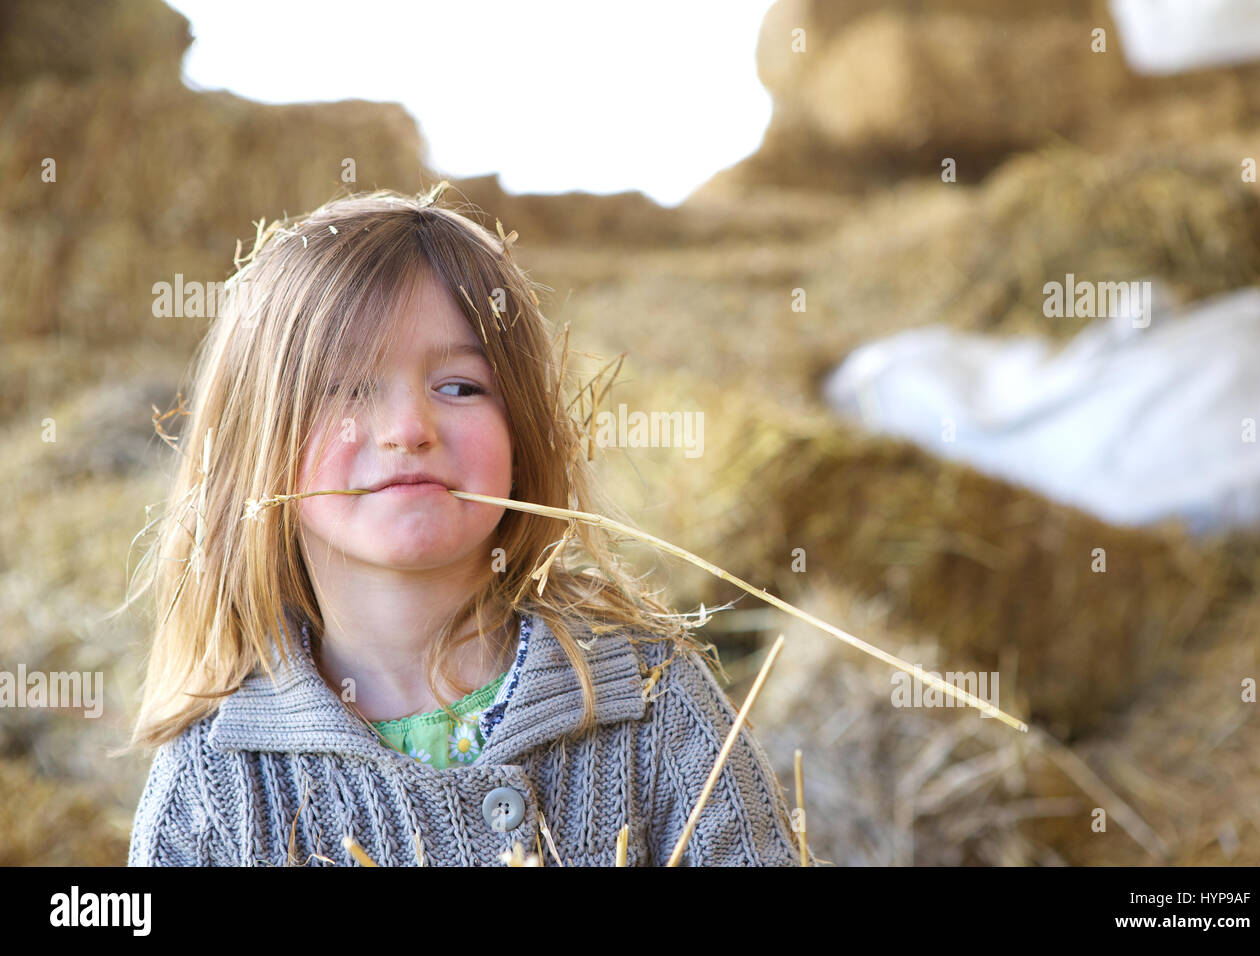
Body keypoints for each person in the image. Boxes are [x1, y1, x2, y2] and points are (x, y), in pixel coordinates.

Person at [120, 187, 809, 866]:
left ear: (523, 433)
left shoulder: (646, 695)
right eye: (348, 388)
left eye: (460, 387)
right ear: (256, 448)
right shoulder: (213, 785)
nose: (410, 429)